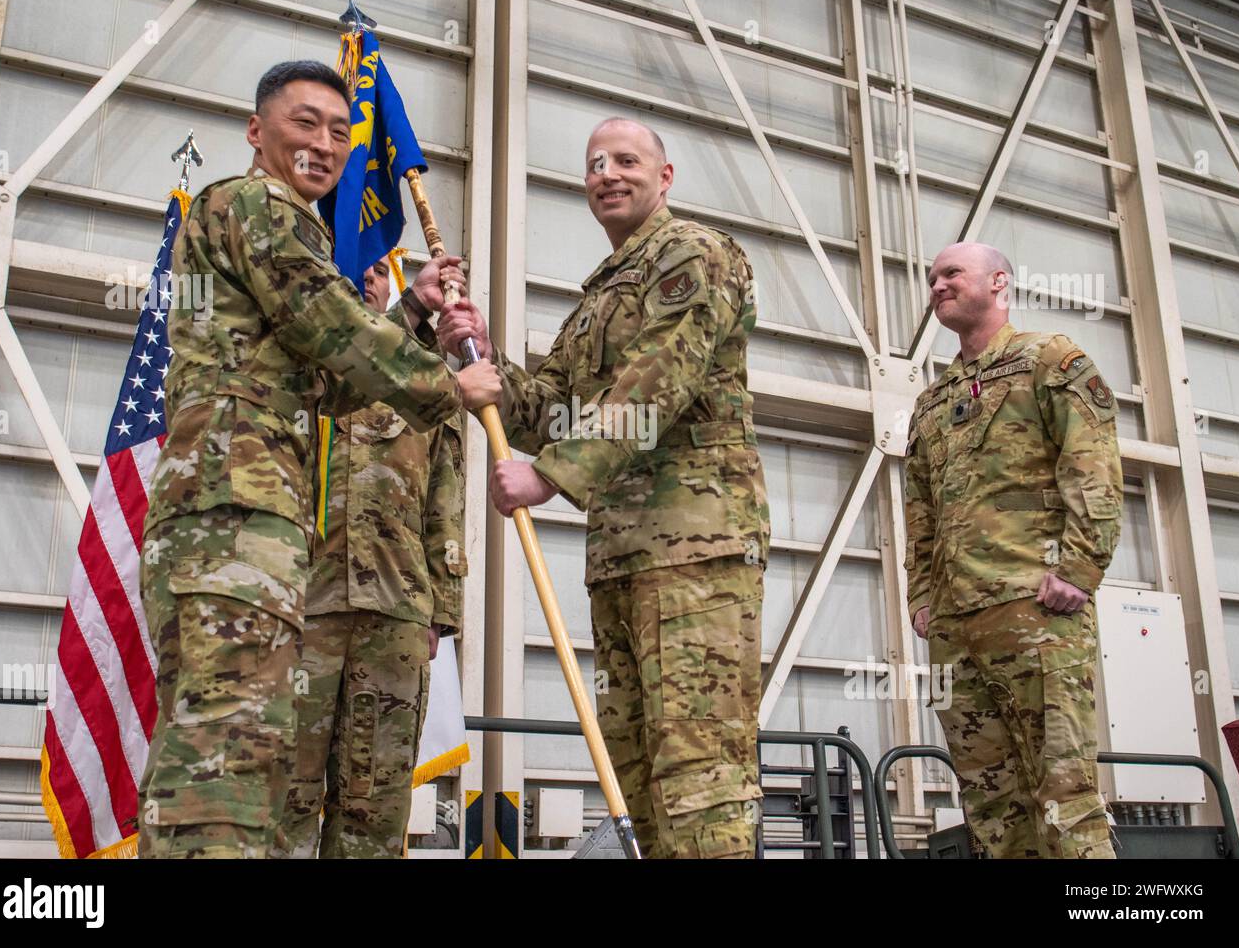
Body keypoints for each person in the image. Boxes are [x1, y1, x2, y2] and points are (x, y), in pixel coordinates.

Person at [139, 60, 499, 858]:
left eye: (341, 131)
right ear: (256, 130)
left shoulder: (258, 223)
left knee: (238, 753)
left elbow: (319, 386)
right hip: (232, 512)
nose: (326, 144)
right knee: (226, 765)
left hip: (248, 517)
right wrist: (450, 380)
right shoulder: (257, 202)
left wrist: (411, 321)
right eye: (305, 123)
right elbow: (329, 320)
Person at [438, 117, 769, 859]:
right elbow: (553, 407)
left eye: (626, 160)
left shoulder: (695, 254)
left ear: (665, 176)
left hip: (697, 551)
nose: (607, 174)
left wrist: (553, 476)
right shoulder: (599, 298)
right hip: (622, 555)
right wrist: (485, 364)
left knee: (699, 771)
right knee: (636, 769)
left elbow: (660, 381)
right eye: (594, 164)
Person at [903, 241, 1123, 858]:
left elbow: (1095, 467)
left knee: (1064, 794)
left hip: (1035, 612)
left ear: (999, 281)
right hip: (956, 626)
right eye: (932, 279)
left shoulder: (1049, 361)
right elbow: (918, 509)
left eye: (952, 274)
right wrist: (923, 595)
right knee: (990, 807)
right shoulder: (933, 402)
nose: (938, 285)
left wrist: (1080, 569)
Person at [274, 256, 468, 858]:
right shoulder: (296, 366)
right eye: (350, 266)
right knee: (286, 798)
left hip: (396, 611)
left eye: (378, 272)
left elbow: (446, 494)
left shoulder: (423, 377)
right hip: (301, 608)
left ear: (391, 286)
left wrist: (445, 609)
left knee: (377, 804)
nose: (365, 279)